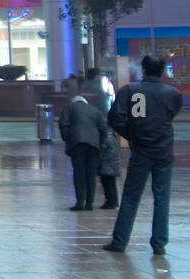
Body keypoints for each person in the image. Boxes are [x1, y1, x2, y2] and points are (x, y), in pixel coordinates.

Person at [105, 55, 184, 254]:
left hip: (141, 150)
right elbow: (170, 115)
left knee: (131, 196)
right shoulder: (173, 93)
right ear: (163, 72)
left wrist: (132, 135)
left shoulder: (130, 90)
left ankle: (120, 241)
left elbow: (115, 118)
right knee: (162, 197)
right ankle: (159, 244)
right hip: (164, 150)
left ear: (144, 70)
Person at [59, 91, 104, 210]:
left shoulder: (69, 107)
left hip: (77, 144)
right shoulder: (95, 110)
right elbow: (103, 128)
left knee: (79, 173)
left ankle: (80, 202)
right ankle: (90, 203)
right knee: (91, 174)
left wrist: (67, 138)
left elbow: (63, 123)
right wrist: (101, 145)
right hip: (94, 145)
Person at [99, 123, 121, 210]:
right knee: (112, 183)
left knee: (108, 184)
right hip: (112, 164)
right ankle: (114, 201)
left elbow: (103, 150)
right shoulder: (113, 136)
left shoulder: (107, 137)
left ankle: (111, 202)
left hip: (107, 164)